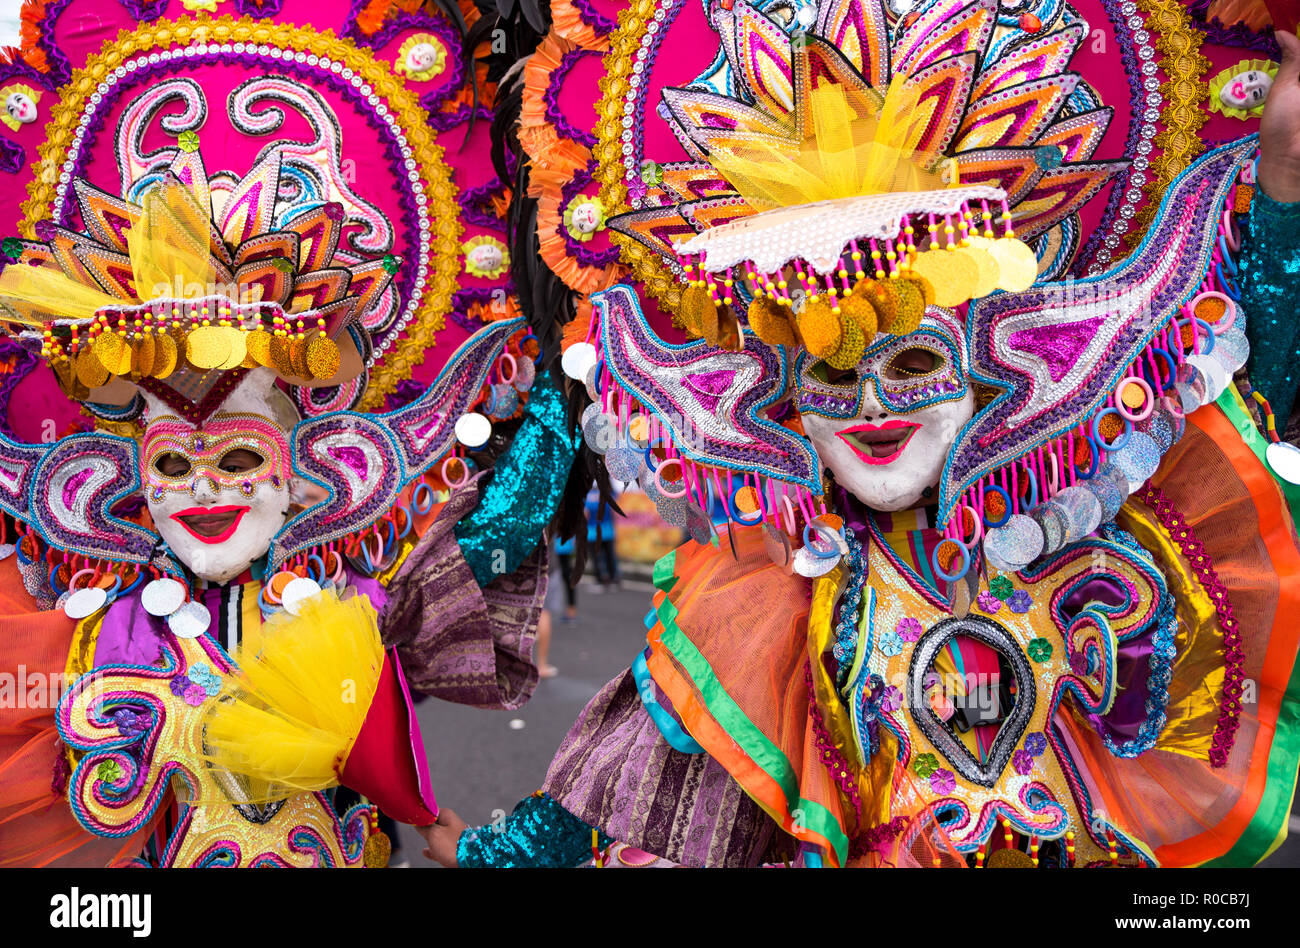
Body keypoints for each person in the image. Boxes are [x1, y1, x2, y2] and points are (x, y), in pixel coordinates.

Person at [419, 2, 1300, 867]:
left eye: (912, 365)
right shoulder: (771, 596)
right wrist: (492, 855)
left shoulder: (1080, 521)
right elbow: (641, 789)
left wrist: (1288, 174)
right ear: (786, 409)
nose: (874, 409)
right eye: (836, 378)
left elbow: (1256, 354)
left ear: (993, 370)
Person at [0, 0, 580, 867]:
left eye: (239, 456)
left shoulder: (357, 604)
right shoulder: (92, 632)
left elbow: (501, 527)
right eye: (171, 460)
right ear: (123, 472)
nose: (205, 488)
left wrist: (567, 372)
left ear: (306, 465)